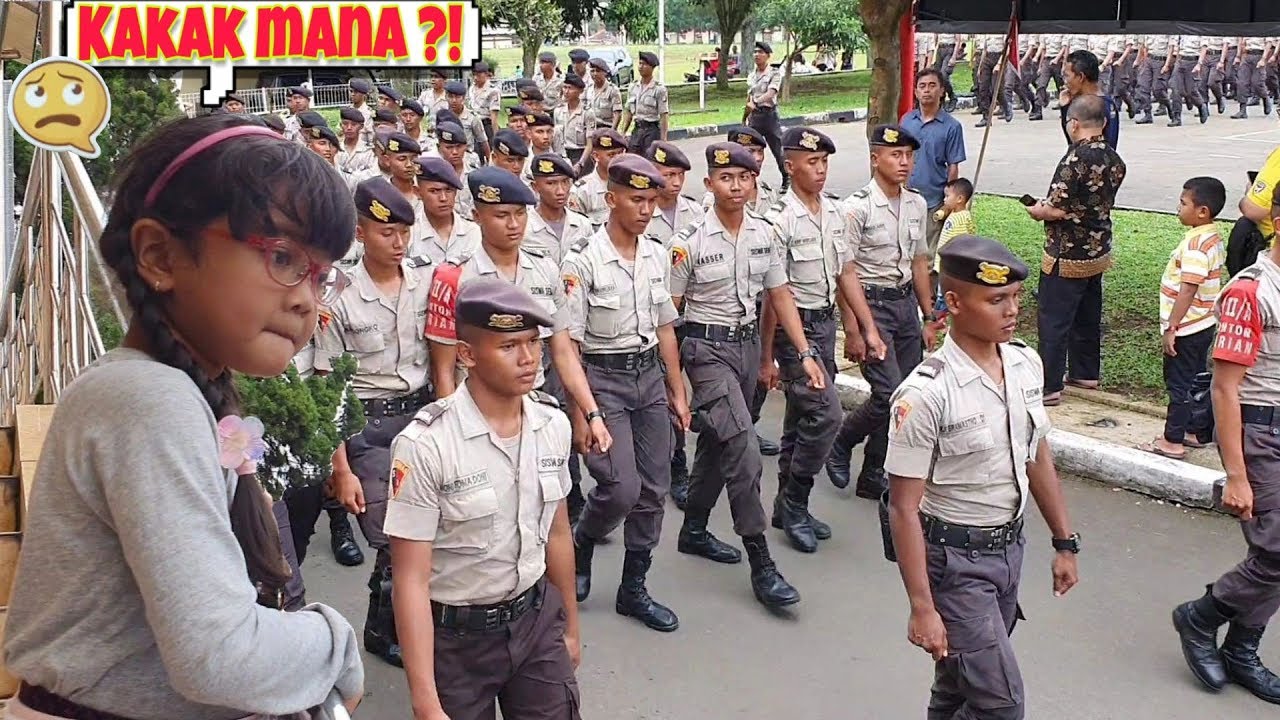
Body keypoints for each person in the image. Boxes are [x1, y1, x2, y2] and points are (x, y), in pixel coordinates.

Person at [2, 114, 365, 719]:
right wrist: (335, 642)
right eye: (281, 257)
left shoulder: (185, 394)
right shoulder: (148, 402)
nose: (307, 297)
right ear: (159, 255)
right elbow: (218, 654)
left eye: (322, 274)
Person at [886, 234, 1080, 720]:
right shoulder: (925, 395)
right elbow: (903, 507)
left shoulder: (1023, 363)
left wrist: (1064, 541)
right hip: (954, 563)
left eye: (1015, 297)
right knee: (1000, 705)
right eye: (996, 300)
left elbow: (1035, 453)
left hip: (1008, 551)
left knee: (956, 685)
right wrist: (921, 607)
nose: (1011, 310)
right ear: (953, 303)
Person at [386, 278, 582, 720]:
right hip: (457, 642)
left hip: (534, 622)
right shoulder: (425, 446)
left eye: (533, 342)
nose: (529, 358)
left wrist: (569, 625)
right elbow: (410, 580)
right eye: (509, 345)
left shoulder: (553, 425)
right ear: (468, 355)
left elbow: (557, 532)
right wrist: (425, 701)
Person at [669, 142, 825, 608]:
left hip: (746, 346)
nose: (736, 186)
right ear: (709, 184)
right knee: (742, 447)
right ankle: (761, 562)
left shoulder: (764, 234)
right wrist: (673, 381)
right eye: (725, 178)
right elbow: (668, 315)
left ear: (754, 181)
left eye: (744, 177)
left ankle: (694, 529)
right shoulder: (689, 242)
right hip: (705, 350)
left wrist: (804, 352)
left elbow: (779, 294)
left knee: (721, 441)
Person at [562, 155, 690, 632]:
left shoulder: (657, 253)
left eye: (652, 201)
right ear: (611, 198)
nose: (645, 209)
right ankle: (583, 540)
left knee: (654, 488)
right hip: (603, 382)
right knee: (620, 487)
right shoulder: (583, 260)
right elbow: (570, 346)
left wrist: (678, 393)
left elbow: (666, 329)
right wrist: (581, 415)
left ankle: (633, 588)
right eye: (636, 199)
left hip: (649, 379)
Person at [316, 177, 436, 670]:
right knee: (389, 533)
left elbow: (446, 359)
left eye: (405, 232)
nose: (399, 243)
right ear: (361, 232)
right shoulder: (338, 297)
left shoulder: (428, 281)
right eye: (387, 233)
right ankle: (381, 624)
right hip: (368, 428)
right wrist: (340, 468)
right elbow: (328, 387)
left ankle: (401, 620)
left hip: (423, 418)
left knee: (430, 530)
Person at [1171, 183, 1280, 707]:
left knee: (1272, 552)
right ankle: (1200, 616)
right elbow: (1225, 387)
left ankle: (1241, 648)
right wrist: (1236, 474)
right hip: (1261, 430)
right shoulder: (1251, 291)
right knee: (1278, 549)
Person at [760, 127, 883, 553]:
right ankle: (794, 501)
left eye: (825, 162)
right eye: (811, 162)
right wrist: (772, 355)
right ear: (790, 166)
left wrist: (865, 327)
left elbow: (846, 272)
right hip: (793, 334)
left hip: (823, 324)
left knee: (800, 419)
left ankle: (787, 504)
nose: (820, 170)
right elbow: (775, 297)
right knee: (827, 415)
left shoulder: (833, 213)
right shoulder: (777, 220)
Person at [826, 125, 933, 500]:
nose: (904, 163)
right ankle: (842, 441)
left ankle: (873, 472)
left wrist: (928, 315)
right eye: (895, 155)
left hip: (904, 307)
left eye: (909, 156)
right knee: (887, 393)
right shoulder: (856, 209)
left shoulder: (917, 204)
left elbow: (920, 262)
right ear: (875, 159)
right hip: (870, 306)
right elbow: (845, 272)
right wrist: (854, 330)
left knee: (907, 398)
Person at [1026, 95, 1127, 407]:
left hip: (1066, 252)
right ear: (1105, 123)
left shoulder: (1074, 160)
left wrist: (1036, 209)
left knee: (1054, 318)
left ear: (1074, 123)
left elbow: (1055, 210)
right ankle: (1086, 373)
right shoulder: (1114, 160)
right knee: (1087, 315)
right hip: (1097, 250)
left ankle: (1049, 384)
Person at [1139, 177, 1227, 460]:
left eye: (1183, 203)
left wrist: (1172, 327)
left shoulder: (1196, 245)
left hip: (1187, 326)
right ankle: (1193, 429)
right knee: (1196, 378)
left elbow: (1188, 287)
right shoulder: (1212, 236)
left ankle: (1172, 440)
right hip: (1203, 322)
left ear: (1202, 211)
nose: (1178, 208)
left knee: (1179, 383)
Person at [900, 68, 967, 261]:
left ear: (942, 90)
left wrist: (948, 202)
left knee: (929, 254)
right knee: (904, 250)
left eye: (932, 85)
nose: (927, 90)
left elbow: (953, 166)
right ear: (916, 92)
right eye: (922, 86)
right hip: (906, 197)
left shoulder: (952, 126)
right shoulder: (907, 121)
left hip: (934, 200)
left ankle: (928, 291)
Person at [526, 153, 594, 266]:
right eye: (551, 183)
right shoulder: (524, 228)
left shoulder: (583, 225)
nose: (560, 191)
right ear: (535, 187)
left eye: (565, 182)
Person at [412, 155, 481, 264]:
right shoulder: (409, 234)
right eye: (434, 191)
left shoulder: (473, 232)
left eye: (449, 190)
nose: (443, 198)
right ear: (417, 192)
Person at [745, 42, 789, 189]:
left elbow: (771, 94)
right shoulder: (752, 75)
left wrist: (756, 101)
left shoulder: (774, 73)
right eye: (755, 52)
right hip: (755, 117)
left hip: (769, 116)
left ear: (768, 56)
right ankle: (750, 179)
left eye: (760, 52)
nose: (757, 55)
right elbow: (749, 96)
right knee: (750, 149)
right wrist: (746, 115)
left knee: (778, 149)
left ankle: (786, 178)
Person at [644, 142, 704, 246]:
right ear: (652, 175)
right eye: (669, 175)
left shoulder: (694, 210)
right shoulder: (641, 213)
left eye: (681, 174)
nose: (677, 183)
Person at [1058, 50, 1121, 150]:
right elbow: (1071, 141)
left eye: (1067, 76)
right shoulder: (1075, 101)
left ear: (1081, 77)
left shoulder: (1106, 106)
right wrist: (1065, 107)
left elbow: (1110, 147)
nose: (1065, 82)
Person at [569, 129, 627, 226]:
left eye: (620, 153)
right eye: (611, 155)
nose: (617, 159)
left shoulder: (629, 184)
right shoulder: (582, 190)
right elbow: (576, 229)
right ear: (596, 156)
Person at [620, 51, 669, 155]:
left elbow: (663, 115)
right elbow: (628, 111)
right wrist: (623, 131)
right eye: (640, 63)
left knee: (650, 159)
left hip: (652, 130)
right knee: (633, 158)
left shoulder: (659, 89)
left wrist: (663, 140)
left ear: (652, 67)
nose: (641, 67)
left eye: (645, 64)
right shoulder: (633, 87)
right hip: (637, 129)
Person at [1169, 36, 1211, 127]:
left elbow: (1204, 48)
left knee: (1191, 91)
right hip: (1180, 61)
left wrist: (1199, 64)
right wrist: (1177, 62)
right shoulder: (1182, 31)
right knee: (1176, 89)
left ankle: (1201, 105)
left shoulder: (1200, 32)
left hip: (1193, 61)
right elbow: (1178, 47)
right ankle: (1176, 117)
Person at [448, 80, 492, 163]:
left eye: (457, 97)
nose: (453, 100)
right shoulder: (443, 116)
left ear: (463, 98)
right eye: (450, 96)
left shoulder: (472, 117)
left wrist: (489, 161)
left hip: (467, 158)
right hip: (448, 158)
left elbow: (483, 141)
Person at [975, 32, 1014, 127]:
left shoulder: (1003, 30)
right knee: (983, 88)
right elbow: (984, 49)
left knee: (996, 88)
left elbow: (1007, 49)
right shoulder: (987, 31)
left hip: (999, 57)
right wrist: (980, 67)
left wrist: (999, 64)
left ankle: (1006, 106)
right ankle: (986, 117)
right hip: (987, 58)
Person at [1136, 35, 1175, 124]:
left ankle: (1168, 104)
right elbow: (1144, 46)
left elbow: (1170, 49)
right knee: (1143, 87)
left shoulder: (1168, 31)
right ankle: (1147, 114)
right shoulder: (1150, 28)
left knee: (1157, 89)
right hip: (1149, 59)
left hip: (1161, 60)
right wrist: (1141, 61)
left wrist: (1166, 65)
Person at [336, 107, 376, 187]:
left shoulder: (369, 151)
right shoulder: (335, 149)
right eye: (345, 124)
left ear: (361, 127)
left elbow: (372, 177)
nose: (349, 128)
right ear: (341, 125)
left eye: (354, 124)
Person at [1233, 36, 1272, 119]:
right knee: (1241, 83)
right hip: (1247, 55)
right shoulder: (1248, 27)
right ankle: (1242, 110)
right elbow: (1241, 41)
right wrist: (1238, 56)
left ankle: (1265, 98)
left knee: (1257, 83)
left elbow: (1269, 43)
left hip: (1259, 55)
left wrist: (1263, 59)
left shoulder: (1265, 26)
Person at [555, 73, 589, 163]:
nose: (566, 92)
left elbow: (590, 144)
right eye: (565, 87)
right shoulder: (558, 111)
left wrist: (580, 164)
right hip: (562, 154)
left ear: (580, 91)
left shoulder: (587, 113)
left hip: (580, 154)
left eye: (570, 88)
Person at [585, 57, 624, 133]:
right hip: (590, 129)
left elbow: (618, 114)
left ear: (605, 73)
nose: (595, 74)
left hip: (606, 128)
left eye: (598, 71)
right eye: (592, 71)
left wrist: (612, 131)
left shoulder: (612, 90)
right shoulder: (588, 89)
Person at [349, 77, 376, 143]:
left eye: (356, 92)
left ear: (364, 95)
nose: (352, 94)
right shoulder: (347, 110)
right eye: (351, 91)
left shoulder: (369, 113)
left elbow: (371, 137)